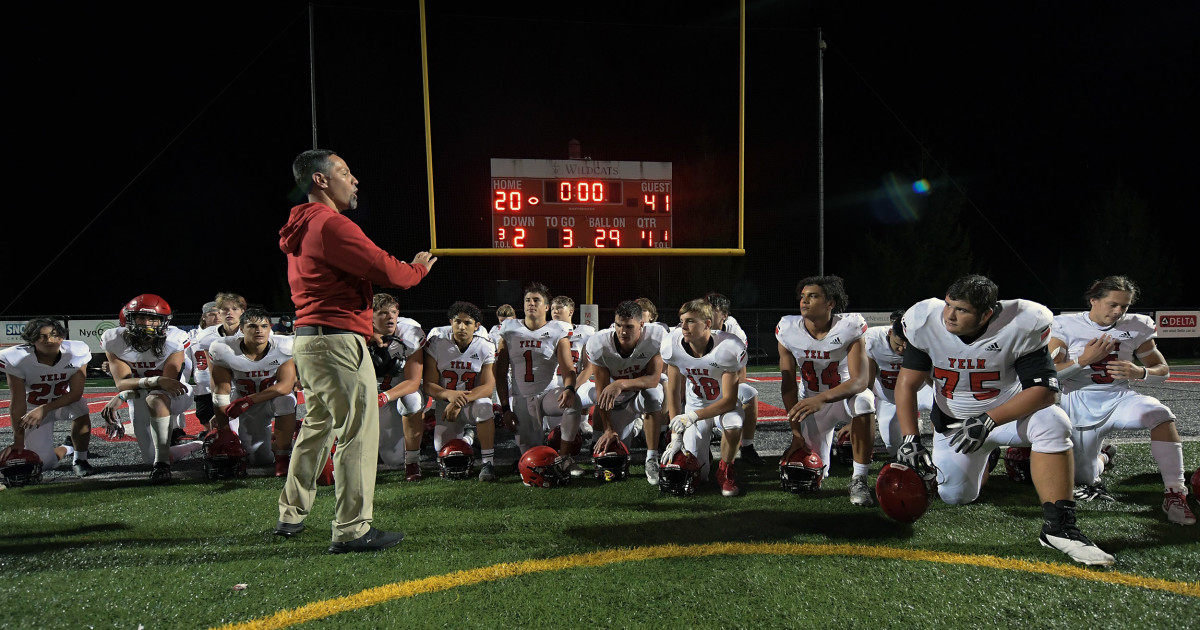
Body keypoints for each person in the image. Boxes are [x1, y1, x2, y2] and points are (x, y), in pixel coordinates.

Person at [276, 149, 436, 554]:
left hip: (310, 340)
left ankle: (291, 513)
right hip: (334, 343)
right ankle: (352, 529)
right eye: (345, 172)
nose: (355, 180)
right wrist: (416, 269)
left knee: (316, 427)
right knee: (357, 433)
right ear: (321, 181)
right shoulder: (331, 224)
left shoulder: (303, 224)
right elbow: (387, 270)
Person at [894, 274, 1113, 565]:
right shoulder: (923, 320)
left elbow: (1044, 392)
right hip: (954, 425)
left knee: (1054, 422)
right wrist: (910, 438)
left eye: (962, 310)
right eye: (948, 305)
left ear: (986, 313)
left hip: (1007, 417)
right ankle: (987, 456)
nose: (950, 315)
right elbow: (907, 384)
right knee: (955, 496)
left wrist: (987, 420)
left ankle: (1058, 528)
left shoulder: (1022, 322)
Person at [1049, 276, 1194, 525]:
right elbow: (1050, 373)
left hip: (1120, 398)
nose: (1118, 311)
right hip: (1079, 402)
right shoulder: (1064, 325)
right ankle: (1104, 456)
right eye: (1113, 304)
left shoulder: (1136, 326)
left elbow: (1162, 369)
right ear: (1093, 300)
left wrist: (1141, 372)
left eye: (1124, 306)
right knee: (1084, 478)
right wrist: (1084, 360)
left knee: (1160, 414)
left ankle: (1175, 492)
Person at [776, 276, 876, 506]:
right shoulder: (787, 329)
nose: (804, 301)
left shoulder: (849, 326)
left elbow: (860, 381)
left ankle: (859, 478)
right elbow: (789, 384)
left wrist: (822, 399)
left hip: (843, 396)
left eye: (813, 296)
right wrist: (796, 432)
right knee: (813, 474)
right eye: (802, 296)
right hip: (811, 400)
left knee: (865, 401)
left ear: (831, 303)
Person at [100, 295, 201, 482]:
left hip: (176, 393)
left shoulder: (174, 338)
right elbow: (122, 382)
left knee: (155, 398)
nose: (147, 323)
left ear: (164, 322)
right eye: (141, 318)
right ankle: (195, 445)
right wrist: (123, 395)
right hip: (138, 394)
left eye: (153, 319)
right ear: (128, 319)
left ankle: (161, 465)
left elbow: (167, 384)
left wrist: (122, 395)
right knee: (148, 457)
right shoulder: (114, 339)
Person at [661, 299, 748, 497]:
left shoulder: (728, 347)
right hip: (695, 404)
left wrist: (692, 417)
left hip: (722, 406)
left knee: (734, 423)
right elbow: (674, 392)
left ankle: (726, 470)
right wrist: (676, 434)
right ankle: (704, 456)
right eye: (681, 321)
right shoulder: (672, 344)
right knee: (699, 474)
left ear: (707, 324)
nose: (683, 327)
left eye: (690, 321)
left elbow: (728, 400)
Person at [494, 282, 582, 475]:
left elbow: (568, 368)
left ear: (547, 307)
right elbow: (499, 372)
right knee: (532, 461)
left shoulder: (558, 330)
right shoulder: (508, 330)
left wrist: (569, 389)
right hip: (521, 398)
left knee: (575, 401)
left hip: (548, 394)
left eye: (536, 300)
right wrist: (505, 408)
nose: (531, 304)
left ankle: (565, 458)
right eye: (527, 300)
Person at [209, 307, 299, 476]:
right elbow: (221, 391)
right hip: (244, 404)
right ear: (241, 329)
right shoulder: (224, 349)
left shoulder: (283, 346)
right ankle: (276, 439)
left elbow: (285, 386)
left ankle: (282, 456)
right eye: (252, 326)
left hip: (268, 399)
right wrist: (224, 429)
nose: (259, 330)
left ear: (270, 328)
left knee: (287, 400)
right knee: (259, 460)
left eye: (264, 326)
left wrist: (249, 400)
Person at [587, 300, 668, 484]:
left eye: (629, 326)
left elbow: (653, 379)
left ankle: (651, 457)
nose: (623, 331)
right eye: (619, 325)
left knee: (654, 395)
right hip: (618, 398)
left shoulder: (655, 337)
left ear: (641, 324)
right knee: (619, 449)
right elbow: (602, 394)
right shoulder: (599, 344)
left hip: (639, 391)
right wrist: (608, 429)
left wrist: (621, 383)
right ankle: (624, 429)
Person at [0, 319, 92, 476]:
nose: (49, 340)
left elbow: (76, 393)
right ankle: (68, 447)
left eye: (54, 335)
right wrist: (18, 440)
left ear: (62, 337)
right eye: (42, 336)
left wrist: (45, 408)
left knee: (81, 408)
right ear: (32, 340)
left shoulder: (76, 351)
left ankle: (80, 459)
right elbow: (17, 403)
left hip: (64, 401)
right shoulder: (16, 359)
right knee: (44, 463)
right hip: (32, 407)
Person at [423, 301, 498, 481]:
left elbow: (488, 386)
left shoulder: (485, 345)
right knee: (443, 450)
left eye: (468, 323)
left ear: (477, 326)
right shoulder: (437, 343)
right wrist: (450, 396)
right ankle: (469, 438)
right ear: (451, 322)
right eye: (457, 322)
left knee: (485, 407)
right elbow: (429, 384)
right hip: (445, 404)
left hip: (472, 402)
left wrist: (459, 401)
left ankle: (488, 463)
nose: (462, 327)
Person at [368, 293, 427, 480]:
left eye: (393, 312)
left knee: (412, 400)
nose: (390, 316)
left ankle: (412, 462)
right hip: (370, 395)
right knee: (391, 458)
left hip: (396, 393)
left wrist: (384, 397)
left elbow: (413, 382)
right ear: (370, 316)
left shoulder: (410, 333)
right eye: (383, 313)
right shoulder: (357, 335)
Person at [863, 310, 934, 457]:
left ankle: (941, 450)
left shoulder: (920, 340)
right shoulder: (872, 340)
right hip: (890, 398)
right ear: (890, 333)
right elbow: (867, 383)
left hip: (920, 391)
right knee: (892, 445)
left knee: (943, 404)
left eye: (906, 346)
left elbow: (928, 374)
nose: (901, 350)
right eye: (898, 344)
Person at [705, 292, 763, 466]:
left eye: (712, 310)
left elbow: (741, 371)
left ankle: (747, 446)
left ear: (725, 315)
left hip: (723, 383)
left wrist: (729, 399)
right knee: (701, 465)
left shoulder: (733, 330)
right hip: (697, 387)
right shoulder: (692, 325)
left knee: (750, 393)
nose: (706, 313)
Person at [187, 294, 246, 439]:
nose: (229, 312)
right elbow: (214, 374)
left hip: (251, 384)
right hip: (222, 385)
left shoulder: (252, 331)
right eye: (224, 309)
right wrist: (219, 407)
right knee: (228, 435)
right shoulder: (206, 336)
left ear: (242, 311)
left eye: (234, 308)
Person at [550, 295, 597, 434]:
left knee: (599, 392)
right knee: (557, 431)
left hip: (577, 382)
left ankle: (585, 421)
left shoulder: (585, 332)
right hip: (552, 385)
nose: (555, 311)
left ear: (570, 312)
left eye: (559, 308)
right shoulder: (545, 332)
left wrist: (571, 388)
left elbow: (589, 367)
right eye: (552, 308)